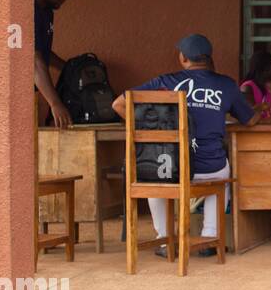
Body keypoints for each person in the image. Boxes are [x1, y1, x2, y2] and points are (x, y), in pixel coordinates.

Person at [111, 34, 258, 258]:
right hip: (210, 168)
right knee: (222, 178)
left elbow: (119, 104)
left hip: (169, 168)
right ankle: (209, 239)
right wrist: (260, 111)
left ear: (183, 58)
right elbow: (250, 120)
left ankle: (164, 239)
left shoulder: (164, 82)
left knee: (155, 180)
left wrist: (149, 127)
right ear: (209, 58)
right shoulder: (225, 84)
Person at [33, 0, 85, 129]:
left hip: (31, 92)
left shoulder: (46, 12)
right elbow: (34, 60)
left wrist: (68, 68)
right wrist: (55, 103)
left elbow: (43, 51)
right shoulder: (26, 10)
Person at [239, 50, 271, 121]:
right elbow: (249, 115)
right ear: (263, 68)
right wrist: (263, 107)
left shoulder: (263, 88)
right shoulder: (247, 88)